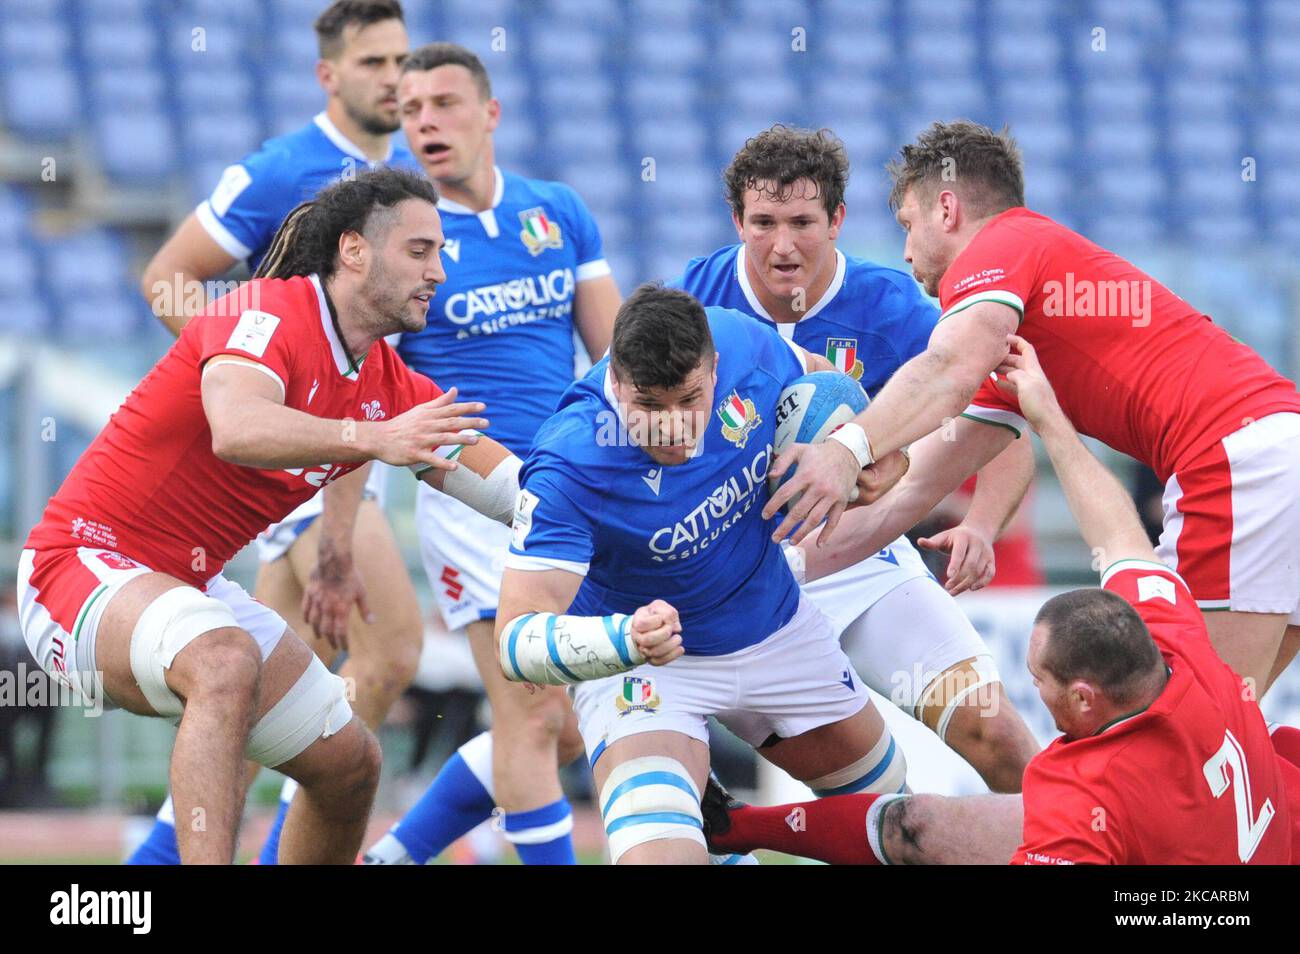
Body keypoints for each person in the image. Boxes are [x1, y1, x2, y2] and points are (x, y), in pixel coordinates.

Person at [17, 168, 520, 864]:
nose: (438, 271)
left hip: (183, 590)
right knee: (226, 660)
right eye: (420, 250)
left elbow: (507, 487)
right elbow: (236, 425)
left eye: (440, 253)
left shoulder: (385, 379)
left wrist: (603, 519)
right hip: (80, 569)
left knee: (350, 766)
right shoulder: (264, 311)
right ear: (354, 251)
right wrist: (370, 439)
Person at [701, 336, 1300, 865]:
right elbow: (1120, 537)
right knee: (916, 825)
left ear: (1084, 697)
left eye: (1038, 680)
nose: (1030, 691)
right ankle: (735, 827)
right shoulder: (1183, 646)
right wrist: (1047, 416)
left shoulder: (1090, 797)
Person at [768, 120, 1300, 704]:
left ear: (947, 209)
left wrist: (848, 450)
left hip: (1233, 460)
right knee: (1230, 730)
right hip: (1273, 446)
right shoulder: (1010, 355)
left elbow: (945, 367)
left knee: (1169, 722)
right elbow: (911, 493)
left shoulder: (1001, 244)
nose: (906, 252)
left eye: (908, 225)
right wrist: (774, 576)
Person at [131, 0, 426, 865]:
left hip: (352, 443)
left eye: (401, 60)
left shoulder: (404, 181)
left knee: (268, 686)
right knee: (391, 648)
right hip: (288, 447)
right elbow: (168, 278)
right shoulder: (281, 168)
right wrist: (244, 363)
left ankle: (155, 861)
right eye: (373, 62)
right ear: (328, 75)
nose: (393, 79)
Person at [671, 125, 1039, 792]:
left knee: (998, 735)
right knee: (694, 789)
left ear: (838, 218)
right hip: (728, 570)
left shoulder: (892, 308)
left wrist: (983, 523)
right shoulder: (690, 305)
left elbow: (1001, 420)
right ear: (737, 220)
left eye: (803, 221)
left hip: (859, 560)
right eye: (763, 222)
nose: (782, 244)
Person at [489, 283, 909, 865]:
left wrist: (865, 453)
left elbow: (824, 385)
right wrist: (624, 639)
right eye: (650, 408)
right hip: (647, 669)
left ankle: (734, 836)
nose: (674, 428)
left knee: (897, 827)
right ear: (615, 383)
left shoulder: (744, 342)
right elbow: (514, 640)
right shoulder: (570, 461)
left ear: (714, 369)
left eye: (689, 399)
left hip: (772, 627)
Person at [361, 43, 618, 865]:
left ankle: (393, 857)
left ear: (491, 113)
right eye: (410, 110)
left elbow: (614, 353)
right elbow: (372, 375)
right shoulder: (406, 242)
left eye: (444, 102)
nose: (427, 121)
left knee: (569, 726)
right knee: (533, 714)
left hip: (572, 483)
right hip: (472, 492)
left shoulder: (559, 213)